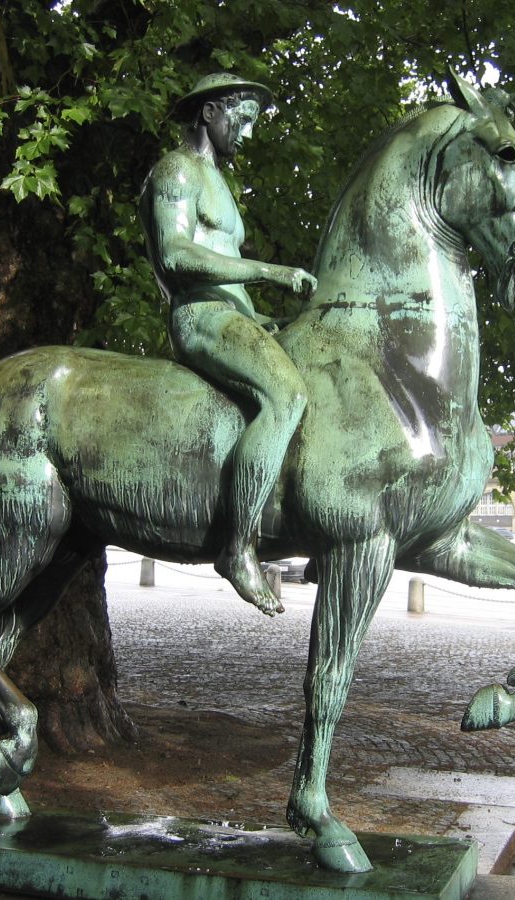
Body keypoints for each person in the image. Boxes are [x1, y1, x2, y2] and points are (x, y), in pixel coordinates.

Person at [138, 73, 316, 616]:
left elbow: (230, 279)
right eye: (242, 118)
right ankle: (239, 548)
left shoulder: (220, 181)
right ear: (211, 112)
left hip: (236, 316)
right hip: (202, 318)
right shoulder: (177, 170)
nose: (247, 132)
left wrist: (267, 314)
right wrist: (270, 270)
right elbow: (173, 253)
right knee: (287, 396)